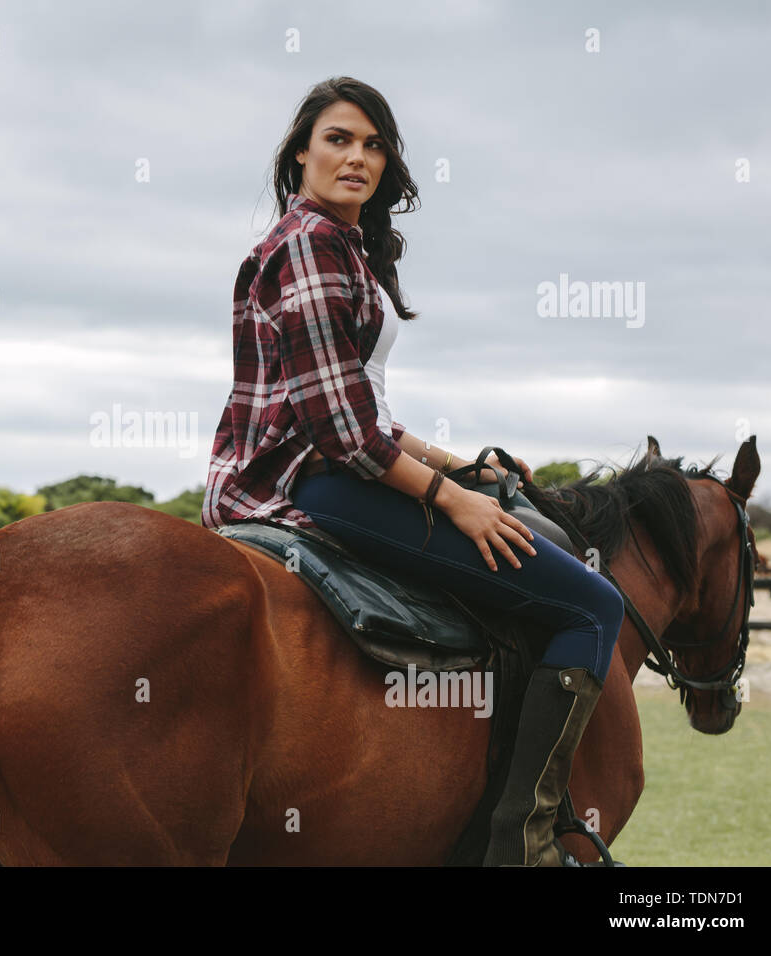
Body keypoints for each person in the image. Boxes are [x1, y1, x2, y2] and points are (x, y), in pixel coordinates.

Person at [201, 77, 625, 867]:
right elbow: (343, 435)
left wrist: (460, 464)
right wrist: (455, 501)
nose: (357, 157)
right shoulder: (311, 244)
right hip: (317, 483)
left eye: (373, 144)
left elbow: (365, 415)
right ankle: (524, 847)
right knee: (594, 606)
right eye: (338, 139)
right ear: (300, 153)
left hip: (329, 468)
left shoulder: (341, 247)